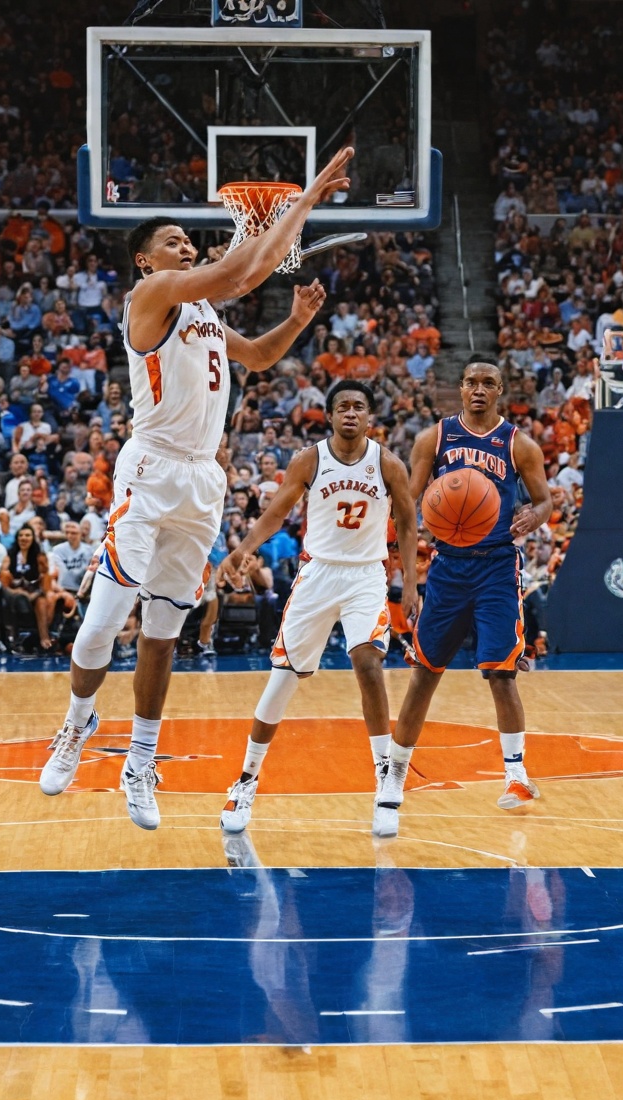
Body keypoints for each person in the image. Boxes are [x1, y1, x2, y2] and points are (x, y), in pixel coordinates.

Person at [40, 147, 355, 830]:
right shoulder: (149, 297)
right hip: (151, 469)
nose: (186, 244)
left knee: (163, 631)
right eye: (172, 240)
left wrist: (298, 319)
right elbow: (244, 268)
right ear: (147, 261)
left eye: (189, 238)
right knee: (101, 625)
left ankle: (140, 762)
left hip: (203, 481)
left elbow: (262, 353)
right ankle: (75, 724)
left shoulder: (206, 314)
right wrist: (306, 199)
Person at [212, 379, 420, 836]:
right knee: (282, 680)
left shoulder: (388, 464)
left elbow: (407, 522)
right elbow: (276, 513)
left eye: (358, 406)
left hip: (366, 574)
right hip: (317, 574)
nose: (350, 413)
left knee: (368, 662)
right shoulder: (310, 459)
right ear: (329, 415)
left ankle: (385, 775)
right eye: (342, 406)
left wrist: (409, 581)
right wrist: (244, 548)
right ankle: (246, 779)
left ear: (369, 416)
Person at [386, 361, 556, 811]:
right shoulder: (434, 438)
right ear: (459, 389)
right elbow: (408, 499)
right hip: (448, 566)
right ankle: (395, 774)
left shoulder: (520, 444)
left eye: (487, 384)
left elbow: (545, 500)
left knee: (500, 674)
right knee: (424, 674)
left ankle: (517, 776)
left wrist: (534, 516)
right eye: (471, 383)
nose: (478, 390)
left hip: (498, 567)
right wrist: (417, 535)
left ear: (500, 390)